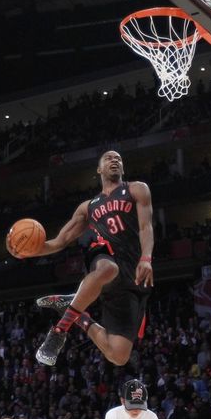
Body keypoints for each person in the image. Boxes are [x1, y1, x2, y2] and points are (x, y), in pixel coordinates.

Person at [32, 150, 154, 367]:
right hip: (103, 254)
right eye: (109, 158)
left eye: (118, 158)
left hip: (131, 274)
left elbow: (146, 227)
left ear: (123, 168)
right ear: (99, 169)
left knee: (119, 356)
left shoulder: (137, 189)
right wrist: (29, 251)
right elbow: (59, 241)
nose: (115, 160)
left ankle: (76, 310)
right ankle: (59, 331)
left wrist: (146, 258)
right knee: (108, 268)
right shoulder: (88, 207)